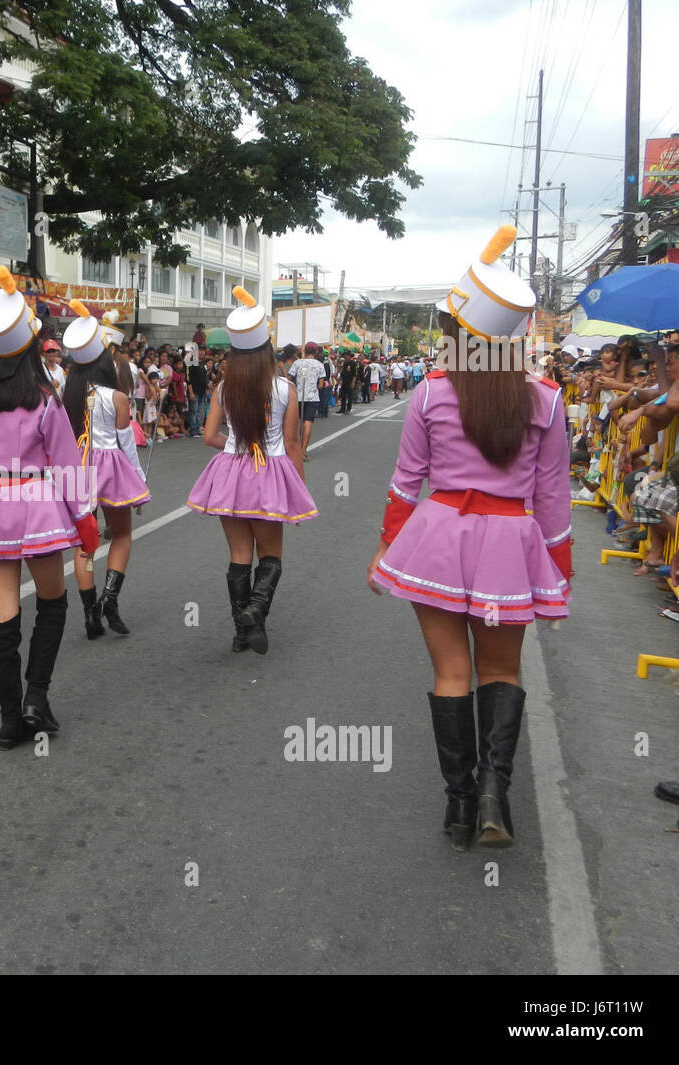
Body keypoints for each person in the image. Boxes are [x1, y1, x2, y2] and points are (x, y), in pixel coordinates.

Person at [366, 226, 571, 853]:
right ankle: (494, 797)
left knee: (451, 671)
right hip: (512, 542)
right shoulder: (546, 398)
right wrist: (559, 569)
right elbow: (553, 499)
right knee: (501, 670)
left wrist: (385, 546)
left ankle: (458, 804)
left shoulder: (430, 392)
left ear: (458, 331)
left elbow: (406, 485)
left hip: (438, 539)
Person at [0, 269, 99, 750]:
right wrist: (86, 519)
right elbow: (68, 465)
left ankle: (10, 720)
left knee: (2, 614)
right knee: (52, 601)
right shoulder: (44, 400)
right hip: (36, 504)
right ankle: (36, 695)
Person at [188, 287, 317, 655]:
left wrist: (233, 447)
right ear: (266, 351)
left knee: (239, 555)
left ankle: (240, 633)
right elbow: (292, 445)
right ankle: (256, 610)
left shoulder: (224, 388)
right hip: (271, 473)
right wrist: (299, 490)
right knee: (271, 555)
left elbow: (209, 436)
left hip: (230, 472)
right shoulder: (284, 388)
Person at [62, 301, 150, 638]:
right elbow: (127, 446)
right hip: (111, 466)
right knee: (122, 535)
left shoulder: (65, 393)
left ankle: (89, 614)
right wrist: (139, 483)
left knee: (85, 543)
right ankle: (109, 599)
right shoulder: (117, 397)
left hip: (79, 468)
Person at [290, 341, 325, 454]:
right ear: (315, 352)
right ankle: (303, 451)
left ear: (304, 350)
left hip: (297, 397)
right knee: (308, 423)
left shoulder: (297, 363)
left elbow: (289, 378)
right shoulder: (320, 365)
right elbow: (321, 384)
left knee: (296, 423)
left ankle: (293, 449)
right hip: (312, 397)